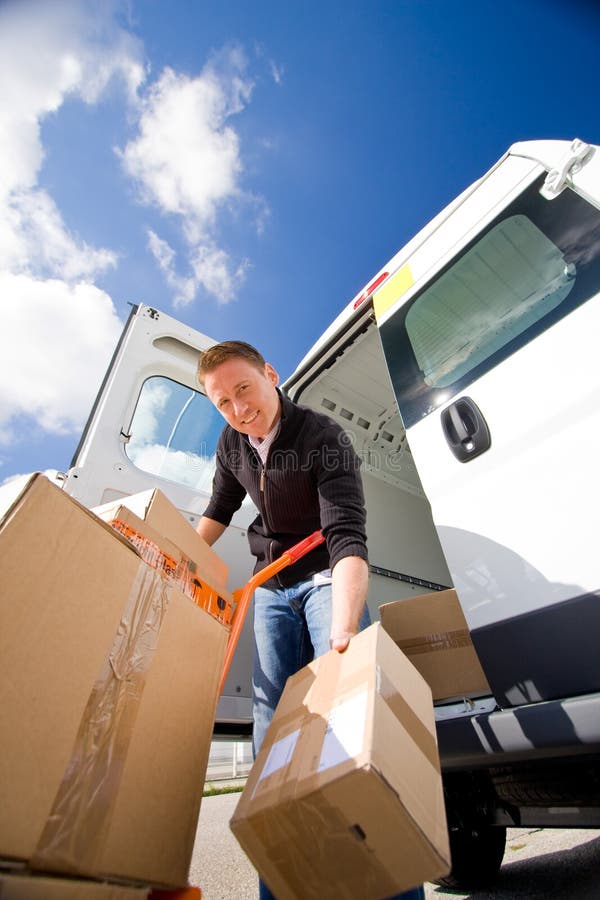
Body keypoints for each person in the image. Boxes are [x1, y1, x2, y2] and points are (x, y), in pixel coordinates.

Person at [196, 340, 425, 900]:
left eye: (244, 390)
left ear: (270, 375)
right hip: (271, 584)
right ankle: (285, 885)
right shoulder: (233, 444)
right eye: (222, 402)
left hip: (325, 573)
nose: (238, 410)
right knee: (271, 731)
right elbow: (217, 512)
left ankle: (393, 885)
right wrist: (175, 562)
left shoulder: (324, 437)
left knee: (350, 717)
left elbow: (347, 536)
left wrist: (344, 628)